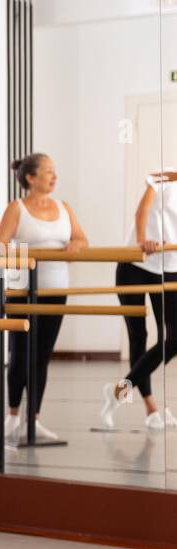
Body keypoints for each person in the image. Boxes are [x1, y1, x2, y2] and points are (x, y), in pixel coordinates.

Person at [0, 153, 88, 443]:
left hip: (55, 291)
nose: (54, 176)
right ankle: (12, 416)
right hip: (22, 291)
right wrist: (11, 253)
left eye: (54, 171)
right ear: (31, 178)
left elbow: (83, 239)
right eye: (48, 171)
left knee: (42, 357)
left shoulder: (64, 207)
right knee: (20, 355)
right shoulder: (17, 208)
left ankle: (32, 419)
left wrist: (76, 244)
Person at [100, 171, 177, 430]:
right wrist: (142, 240)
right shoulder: (162, 177)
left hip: (170, 268)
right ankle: (150, 407)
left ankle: (119, 391)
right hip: (136, 263)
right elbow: (142, 210)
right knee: (138, 335)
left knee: (173, 339)